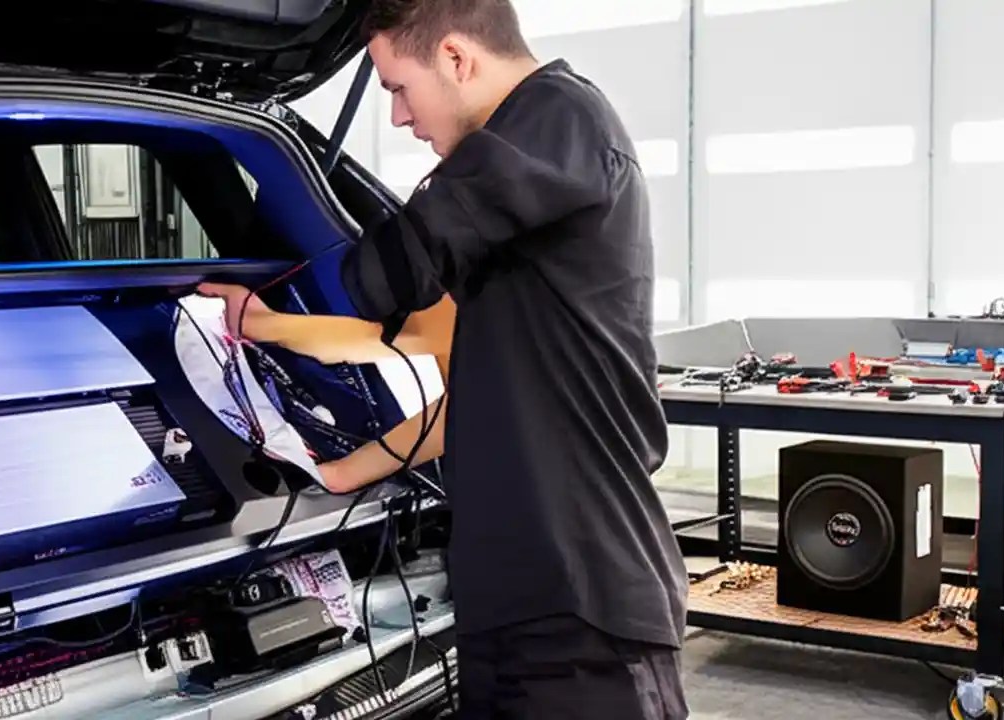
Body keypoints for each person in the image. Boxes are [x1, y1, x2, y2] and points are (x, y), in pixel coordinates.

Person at [203, 0, 689, 717]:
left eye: (398, 87)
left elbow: (390, 279)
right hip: (510, 608)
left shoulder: (560, 121)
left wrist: (315, 277)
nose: (398, 117)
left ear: (458, 59)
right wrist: (269, 332)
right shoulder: (519, 210)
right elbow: (449, 369)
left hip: (584, 612)